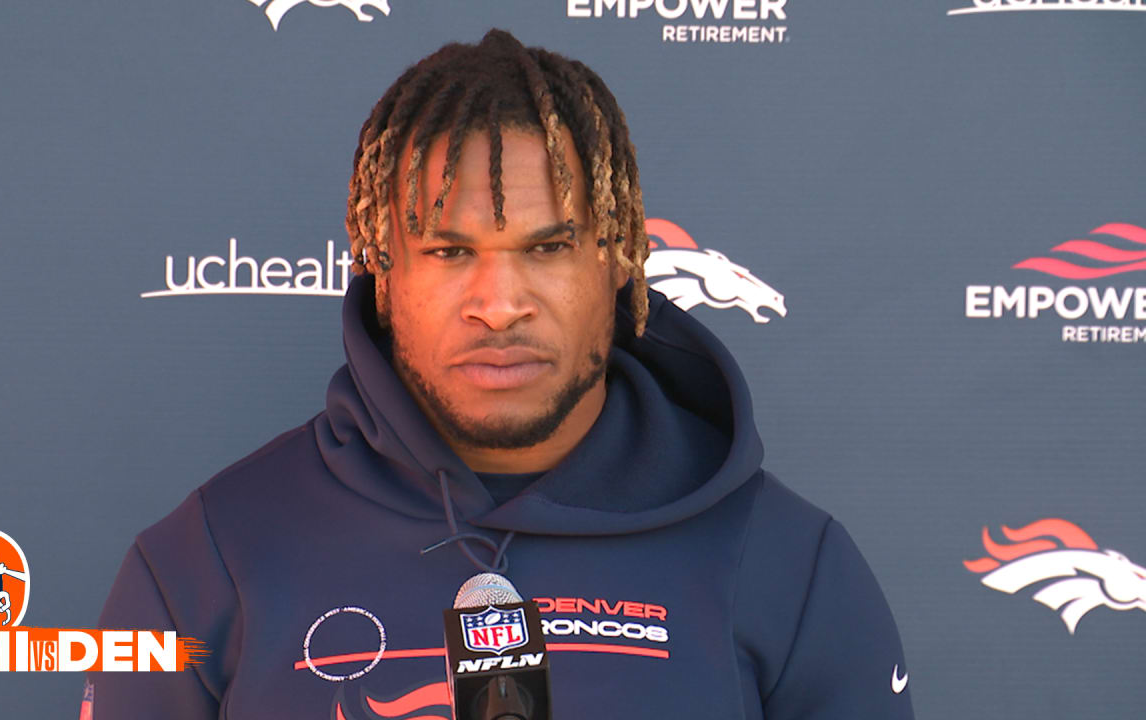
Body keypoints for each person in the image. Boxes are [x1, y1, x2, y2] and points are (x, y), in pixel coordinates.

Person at [88, 29, 915, 719]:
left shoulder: (789, 565)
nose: (499, 303)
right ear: (384, 276)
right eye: (450, 252)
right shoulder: (207, 561)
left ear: (619, 261)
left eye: (548, 248)